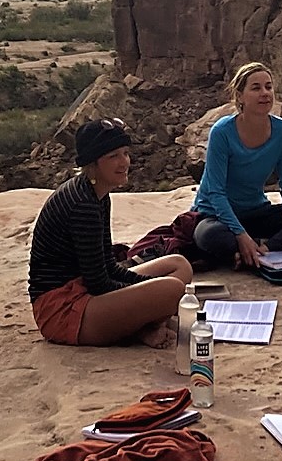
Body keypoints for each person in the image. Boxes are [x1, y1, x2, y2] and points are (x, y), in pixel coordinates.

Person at [28, 119, 194, 347]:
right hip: (63, 309)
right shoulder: (82, 203)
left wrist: (147, 286)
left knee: (178, 265)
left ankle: (143, 326)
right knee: (173, 289)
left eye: (125, 153)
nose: (124, 162)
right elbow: (99, 283)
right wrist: (149, 292)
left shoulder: (97, 193)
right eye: (113, 156)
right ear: (93, 163)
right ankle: (143, 326)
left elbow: (107, 265)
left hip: (85, 288)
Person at [190, 62, 282, 270]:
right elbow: (215, 192)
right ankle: (252, 247)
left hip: (256, 211)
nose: (265, 93)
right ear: (240, 96)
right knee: (207, 235)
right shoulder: (222, 131)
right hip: (216, 215)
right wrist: (240, 234)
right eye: (256, 88)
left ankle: (262, 249)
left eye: (268, 87)